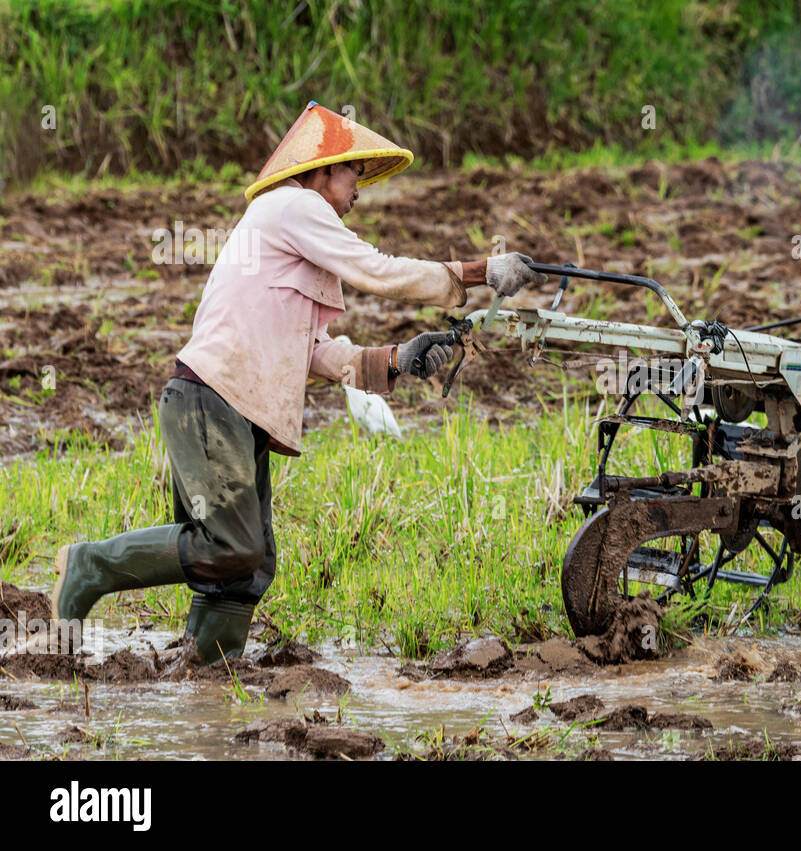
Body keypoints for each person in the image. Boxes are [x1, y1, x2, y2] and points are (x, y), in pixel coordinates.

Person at [40, 102, 546, 663]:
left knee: (245, 567)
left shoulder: (291, 235)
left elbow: (311, 352)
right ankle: (89, 566)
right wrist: (476, 273)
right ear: (324, 170)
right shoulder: (294, 206)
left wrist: (397, 359)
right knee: (230, 545)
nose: (360, 189)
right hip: (211, 400)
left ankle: (206, 678)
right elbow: (374, 268)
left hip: (232, 409)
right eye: (355, 172)